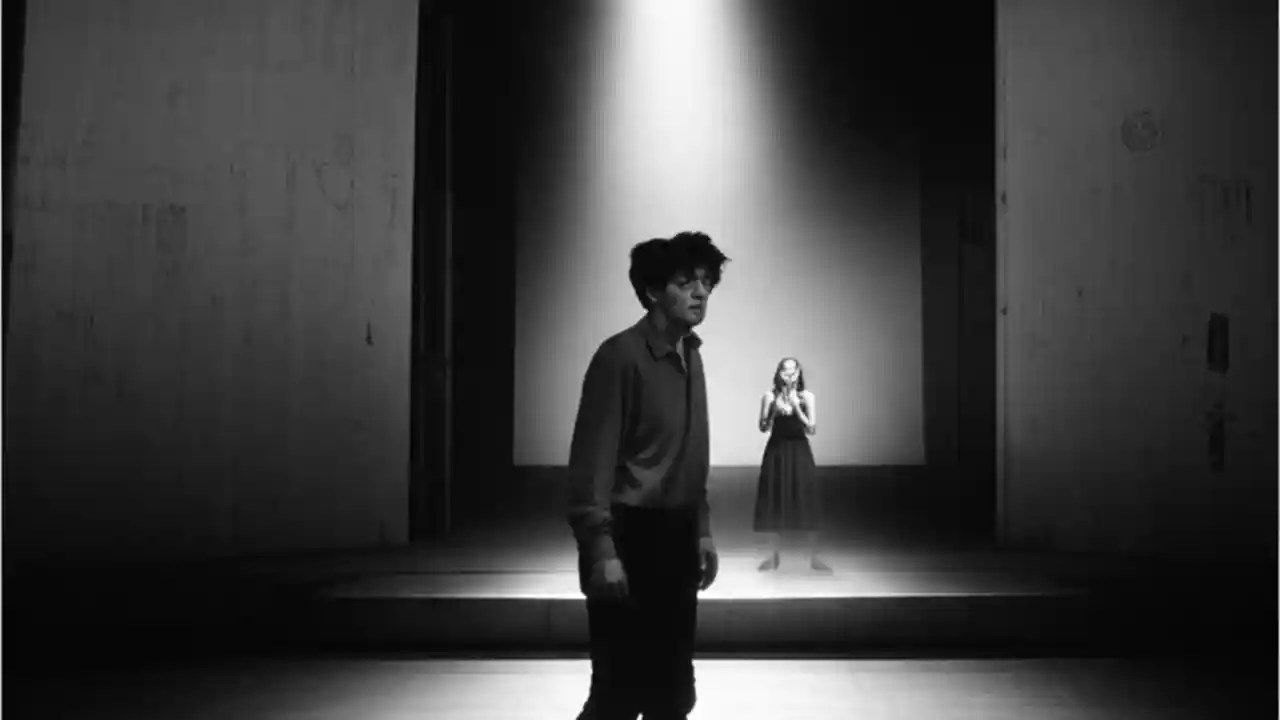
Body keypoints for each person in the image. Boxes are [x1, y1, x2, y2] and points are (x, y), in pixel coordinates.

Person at [567, 231, 729, 720]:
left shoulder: (692, 354)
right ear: (653, 291)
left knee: (674, 694)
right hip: (628, 535)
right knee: (617, 696)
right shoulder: (619, 357)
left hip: (676, 536)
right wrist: (601, 551)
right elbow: (590, 463)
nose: (701, 292)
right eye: (686, 282)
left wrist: (700, 530)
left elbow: (691, 454)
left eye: (706, 281)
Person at [753, 357, 829, 573]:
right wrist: (773, 411)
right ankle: (773, 556)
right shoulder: (769, 396)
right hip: (777, 450)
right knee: (775, 498)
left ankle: (815, 556)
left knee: (807, 497)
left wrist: (797, 407)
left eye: (792, 372)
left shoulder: (807, 397)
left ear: (798, 374)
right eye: (784, 372)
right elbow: (763, 427)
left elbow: (811, 429)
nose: (788, 376)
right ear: (778, 373)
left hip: (799, 450)